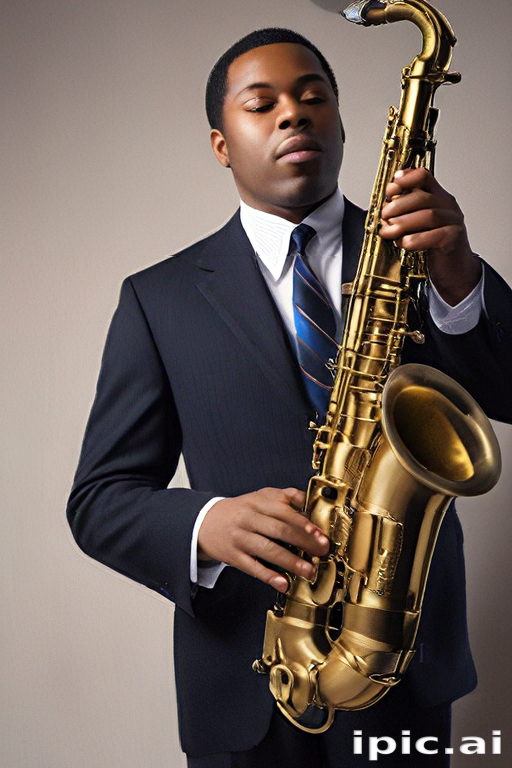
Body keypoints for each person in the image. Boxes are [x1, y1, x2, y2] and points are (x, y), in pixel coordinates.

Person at [67, 28, 512, 768]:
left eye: (313, 98)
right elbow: (98, 500)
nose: (293, 115)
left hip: (401, 663)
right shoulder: (157, 299)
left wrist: (459, 275)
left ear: (341, 124)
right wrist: (208, 523)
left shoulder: (426, 256)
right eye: (261, 104)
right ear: (221, 145)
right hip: (246, 680)